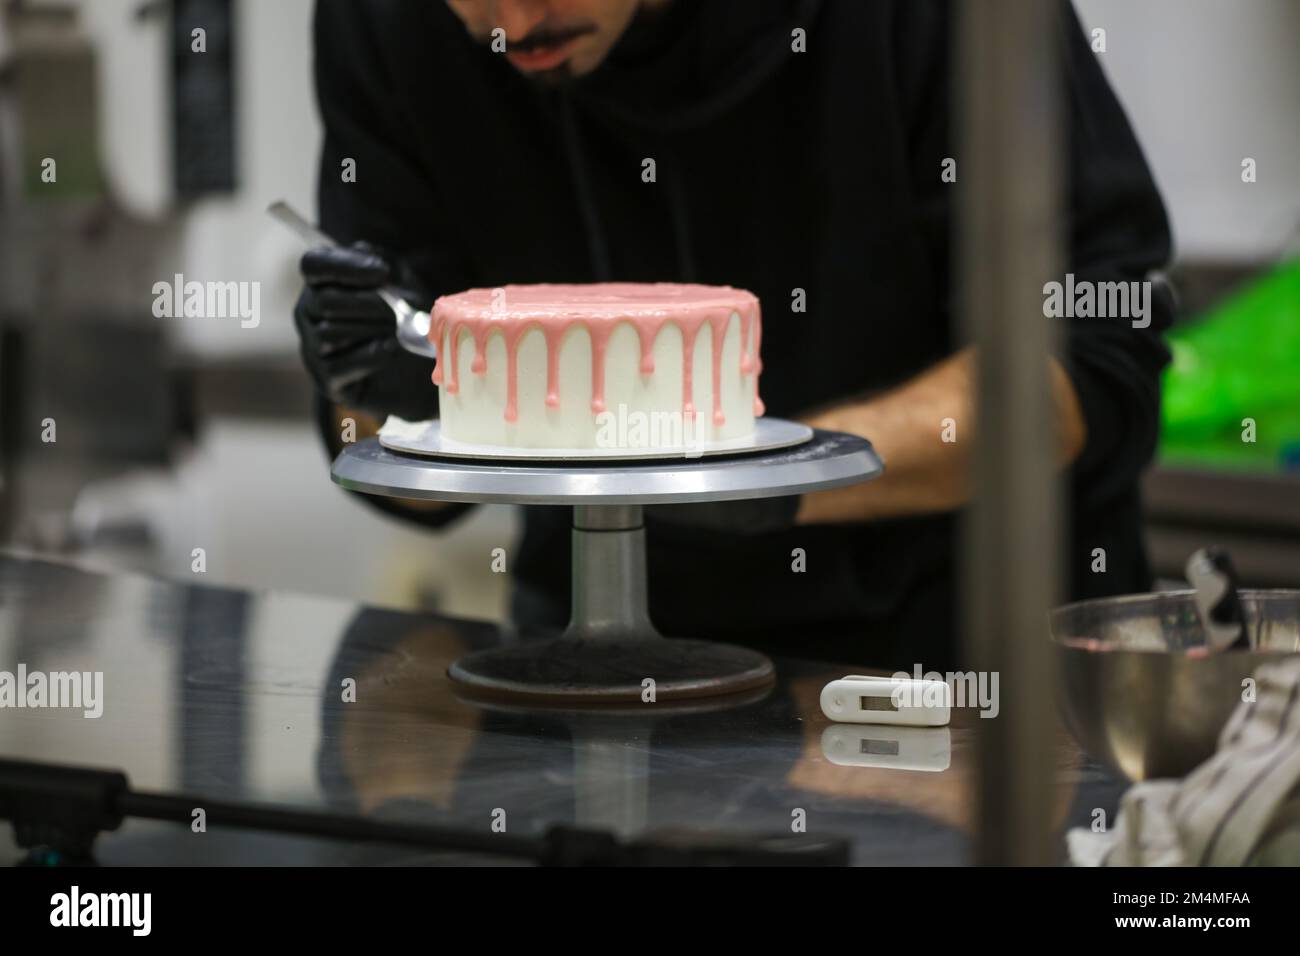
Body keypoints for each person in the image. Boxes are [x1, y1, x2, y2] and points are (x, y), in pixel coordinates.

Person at [294, 0, 1174, 669]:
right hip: (598, 663)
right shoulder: (387, 22)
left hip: (969, 687)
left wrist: (769, 476)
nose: (513, 21)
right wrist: (376, 393)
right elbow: (411, 486)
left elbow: (1090, 366)